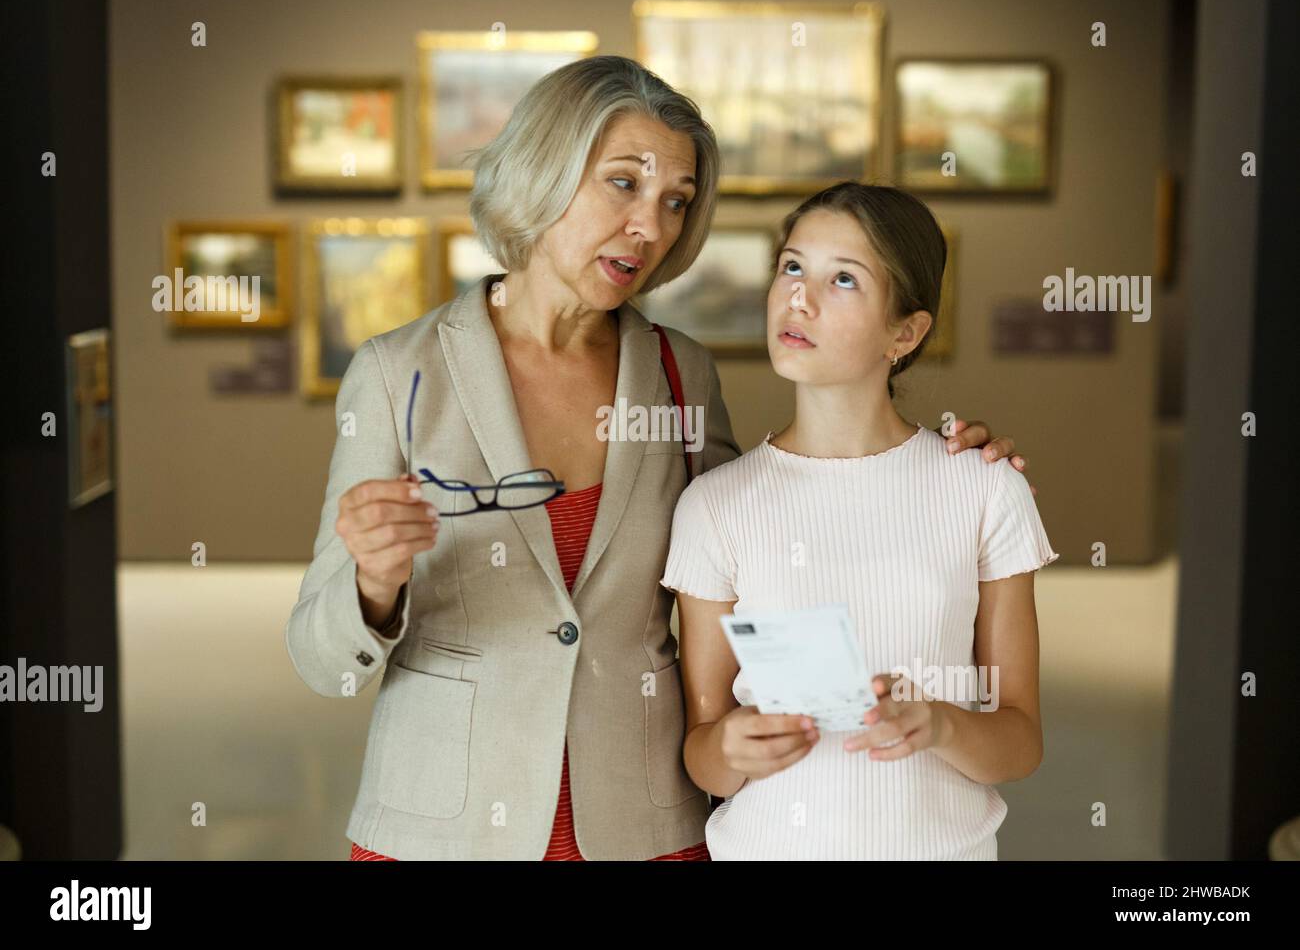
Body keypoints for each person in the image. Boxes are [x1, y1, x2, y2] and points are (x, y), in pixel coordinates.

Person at [284, 56, 1027, 861]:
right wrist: (371, 584)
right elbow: (322, 662)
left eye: (676, 200)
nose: (653, 226)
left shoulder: (679, 373)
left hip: (640, 825)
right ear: (542, 169)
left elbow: (775, 541)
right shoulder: (397, 372)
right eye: (623, 184)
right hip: (442, 828)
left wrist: (941, 468)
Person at [662, 182, 1057, 860]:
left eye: (843, 279)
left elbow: (1019, 744)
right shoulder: (715, 505)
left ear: (905, 332)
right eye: (791, 266)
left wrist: (938, 726)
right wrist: (733, 747)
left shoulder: (985, 488)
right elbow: (705, 755)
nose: (799, 298)